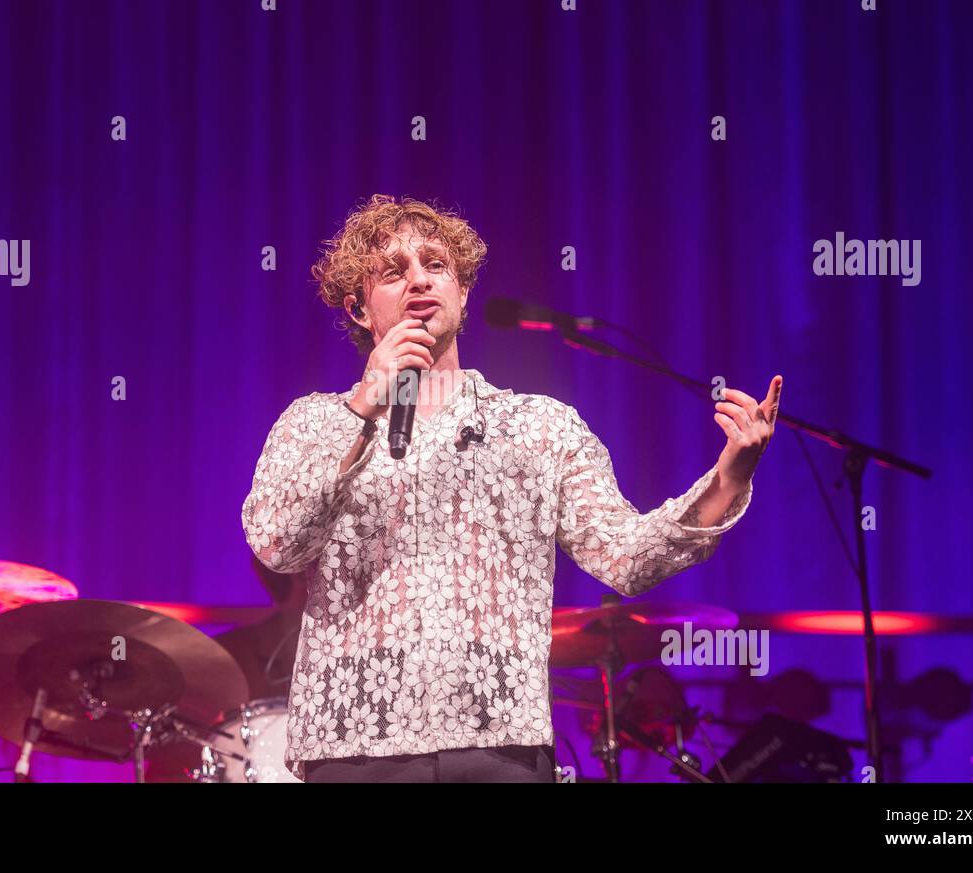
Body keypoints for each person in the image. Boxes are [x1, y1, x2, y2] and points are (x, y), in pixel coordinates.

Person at [241, 194, 782, 782]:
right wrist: (364, 407)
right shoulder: (316, 422)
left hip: (499, 745)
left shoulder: (539, 428)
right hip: (354, 743)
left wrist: (730, 475)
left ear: (464, 291)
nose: (420, 279)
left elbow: (626, 557)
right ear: (359, 310)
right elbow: (277, 543)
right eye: (394, 272)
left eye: (436, 264)